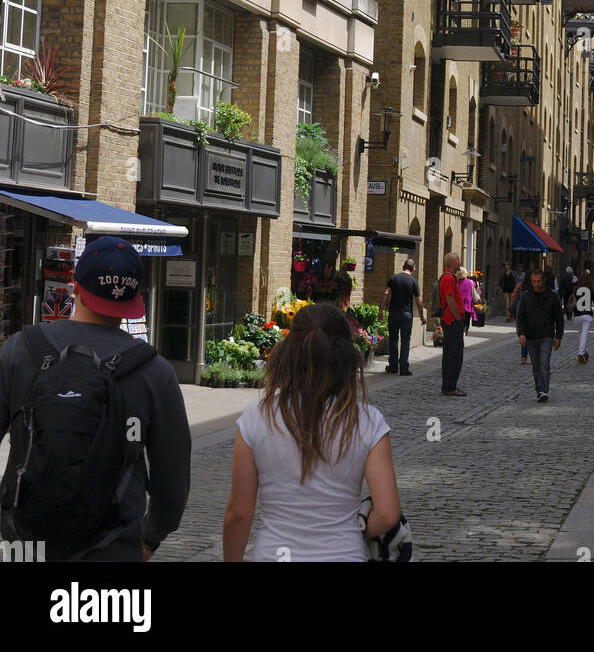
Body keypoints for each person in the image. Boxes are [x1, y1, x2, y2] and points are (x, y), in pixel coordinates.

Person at [0, 236, 191, 562]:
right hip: (112, 544)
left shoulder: (20, 350)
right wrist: (151, 537)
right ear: (134, 300)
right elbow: (172, 480)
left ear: (76, 287)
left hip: (23, 543)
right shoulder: (154, 372)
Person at [223, 303, 401, 561]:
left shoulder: (257, 417)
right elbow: (387, 513)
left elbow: (239, 513)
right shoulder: (367, 422)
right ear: (347, 359)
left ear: (288, 354)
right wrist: (354, 533)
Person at [516, 269, 564, 402]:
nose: (536, 284)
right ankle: (539, 390)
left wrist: (559, 336)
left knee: (544, 363)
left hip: (546, 335)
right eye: (533, 282)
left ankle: (543, 390)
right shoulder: (526, 296)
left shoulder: (553, 296)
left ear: (544, 281)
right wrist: (521, 333)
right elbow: (520, 317)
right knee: (536, 366)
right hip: (531, 336)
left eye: (538, 281)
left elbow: (559, 318)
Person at [382, 258, 426, 376]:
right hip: (406, 314)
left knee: (393, 340)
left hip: (394, 313)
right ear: (414, 269)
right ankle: (404, 368)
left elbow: (386, 294)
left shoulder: (393, 278)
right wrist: (422, 317)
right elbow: (418, 301)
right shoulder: (413, 281)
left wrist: (381, 310)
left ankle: (393, 366)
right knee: (405, 341)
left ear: (403, 266)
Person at [439, 253, 466, 396]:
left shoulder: (448, 277)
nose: (460, 263)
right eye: (458, 260)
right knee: (454, 355)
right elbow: (450, 299)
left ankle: (448, 385)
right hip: (452, 320)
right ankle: (450, 387)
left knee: (450, 353)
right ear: (452, 263)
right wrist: (457, 317)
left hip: (450, 320)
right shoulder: (449, 278)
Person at [574, 265, 594, 364]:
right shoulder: (591, 289)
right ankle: (581, 353)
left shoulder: (576, 289)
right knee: (584, 334)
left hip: (577, 314)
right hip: (587, 314)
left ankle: (585, 352)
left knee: (581, 334)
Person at [457, 267, 478, 337]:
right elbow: (474, 294)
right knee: (466, 322)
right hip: (468, 306)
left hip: (458, 307)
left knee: (459, 322)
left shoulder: (455, 283)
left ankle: (460, 334)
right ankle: (464, 332)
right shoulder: (470, 282)